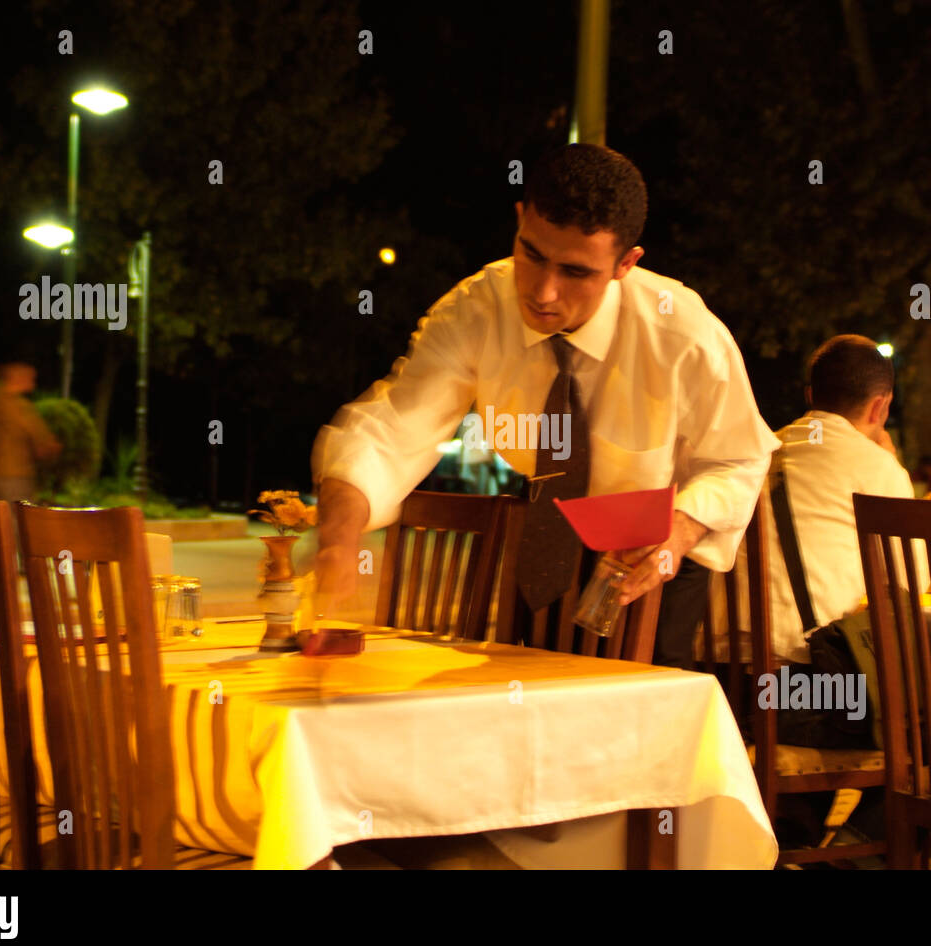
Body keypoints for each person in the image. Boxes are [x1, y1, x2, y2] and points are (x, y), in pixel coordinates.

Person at [311, 143, 779, 668]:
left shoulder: (682, 334)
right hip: (547, 532)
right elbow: (390, 429)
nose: (544, 293)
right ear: (518, 220)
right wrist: (339, 539)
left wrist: (684, 526)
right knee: (519, 688)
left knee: (638, 715)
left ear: (626, 263)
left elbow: (740, 458)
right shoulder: (476, 310)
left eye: (576, 272)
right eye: (532, 254)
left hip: (655, 545)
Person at [760, 335, 915, 704]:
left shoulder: (757, 454)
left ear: (811, 396)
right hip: (819, 688)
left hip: (723, 680)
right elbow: (911, 586)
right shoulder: (876, 467)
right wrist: (889, 463)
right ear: (880, 406)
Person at [0, 361, 61, 506]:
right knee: (18, 519)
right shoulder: (15, 406)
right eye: (29, 377)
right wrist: (49, 445)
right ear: (16, 378)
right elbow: (37, 435)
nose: (33, 382)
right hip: (13, 474)